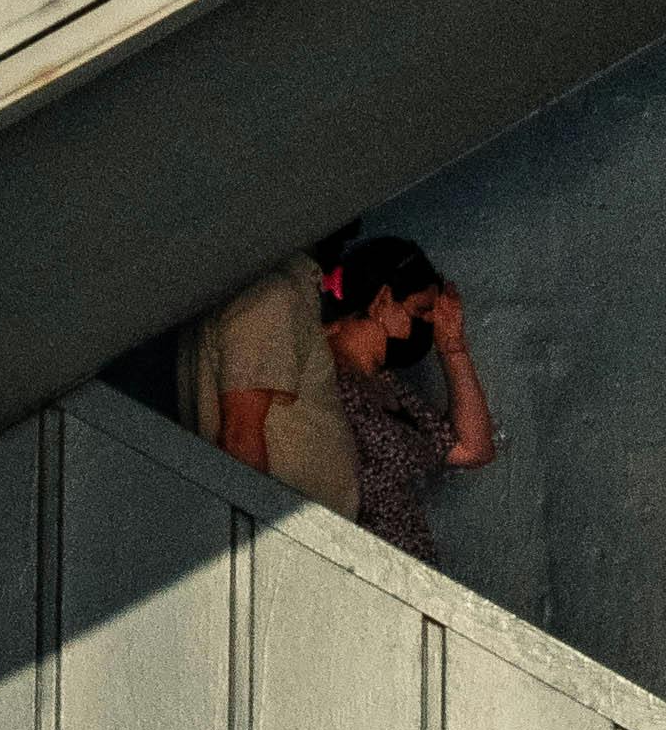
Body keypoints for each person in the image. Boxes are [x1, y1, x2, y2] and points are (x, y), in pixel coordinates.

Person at [323, 234, 497, 564]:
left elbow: (474, 448)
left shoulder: (387, 385)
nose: (424, 325)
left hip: (407, 570)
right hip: (355, 566)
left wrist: (453, 346)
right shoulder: (322, 372)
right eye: (420, 310)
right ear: (383, 300)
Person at [178, 246, 359, 519]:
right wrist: (262, 537)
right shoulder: (270, 297)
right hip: (280, 536)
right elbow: (240, 437)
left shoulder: (289, 295)